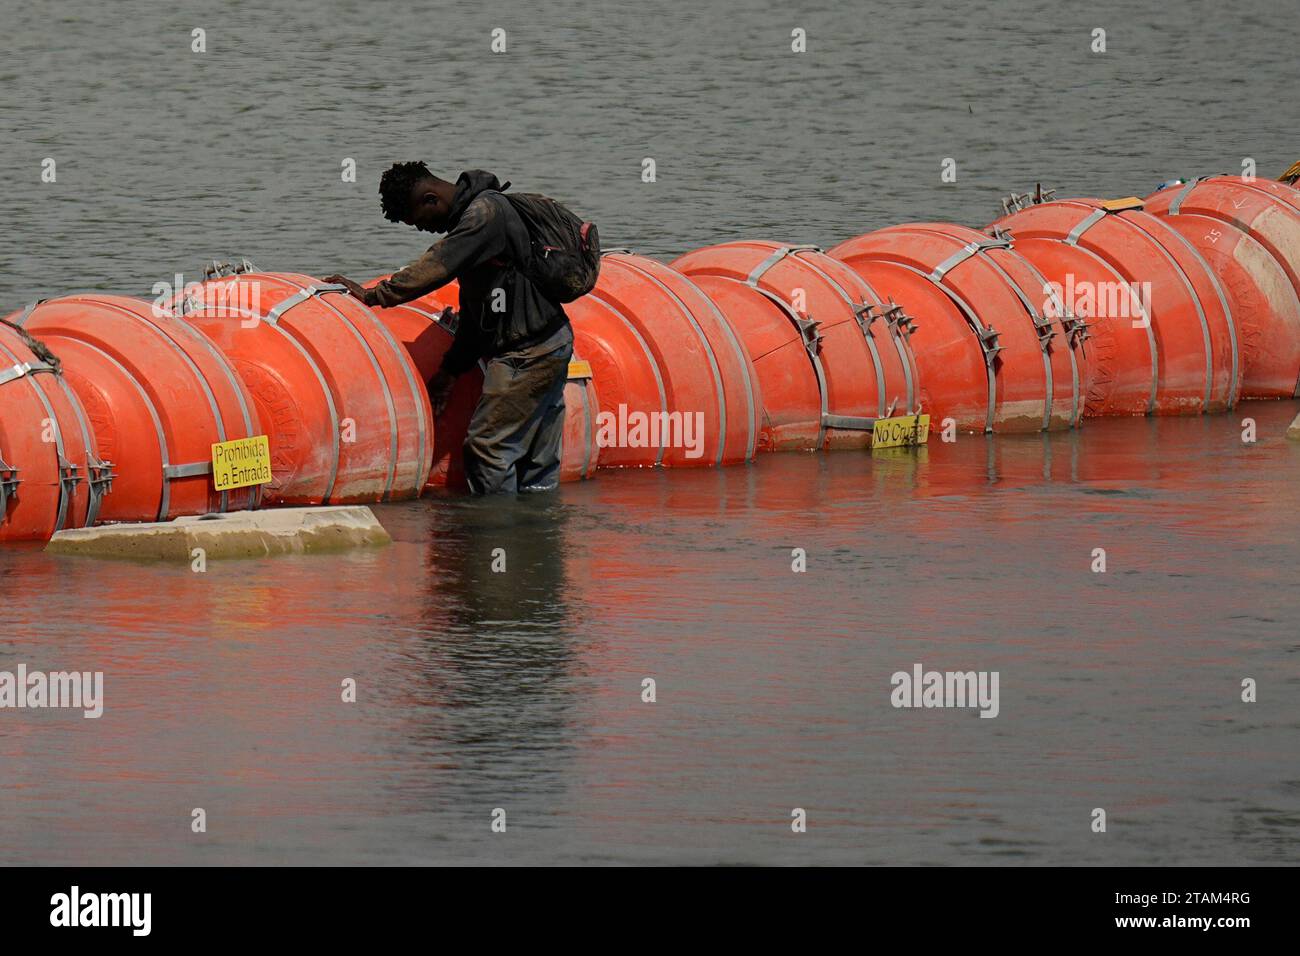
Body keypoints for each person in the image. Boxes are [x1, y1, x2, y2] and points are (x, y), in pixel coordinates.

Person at [326, 162, 573, 494]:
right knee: (536, 461)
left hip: (526, 354)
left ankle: (497, 538)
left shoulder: (483, 216)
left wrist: (373, 295)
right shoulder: (484, 219)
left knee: (488, 450)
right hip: (551, 341)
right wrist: (451, 371)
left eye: (419, 222)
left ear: (431, 199)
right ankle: (537, 537)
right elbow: (476, 314)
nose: (423, 230)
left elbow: (436, 266)